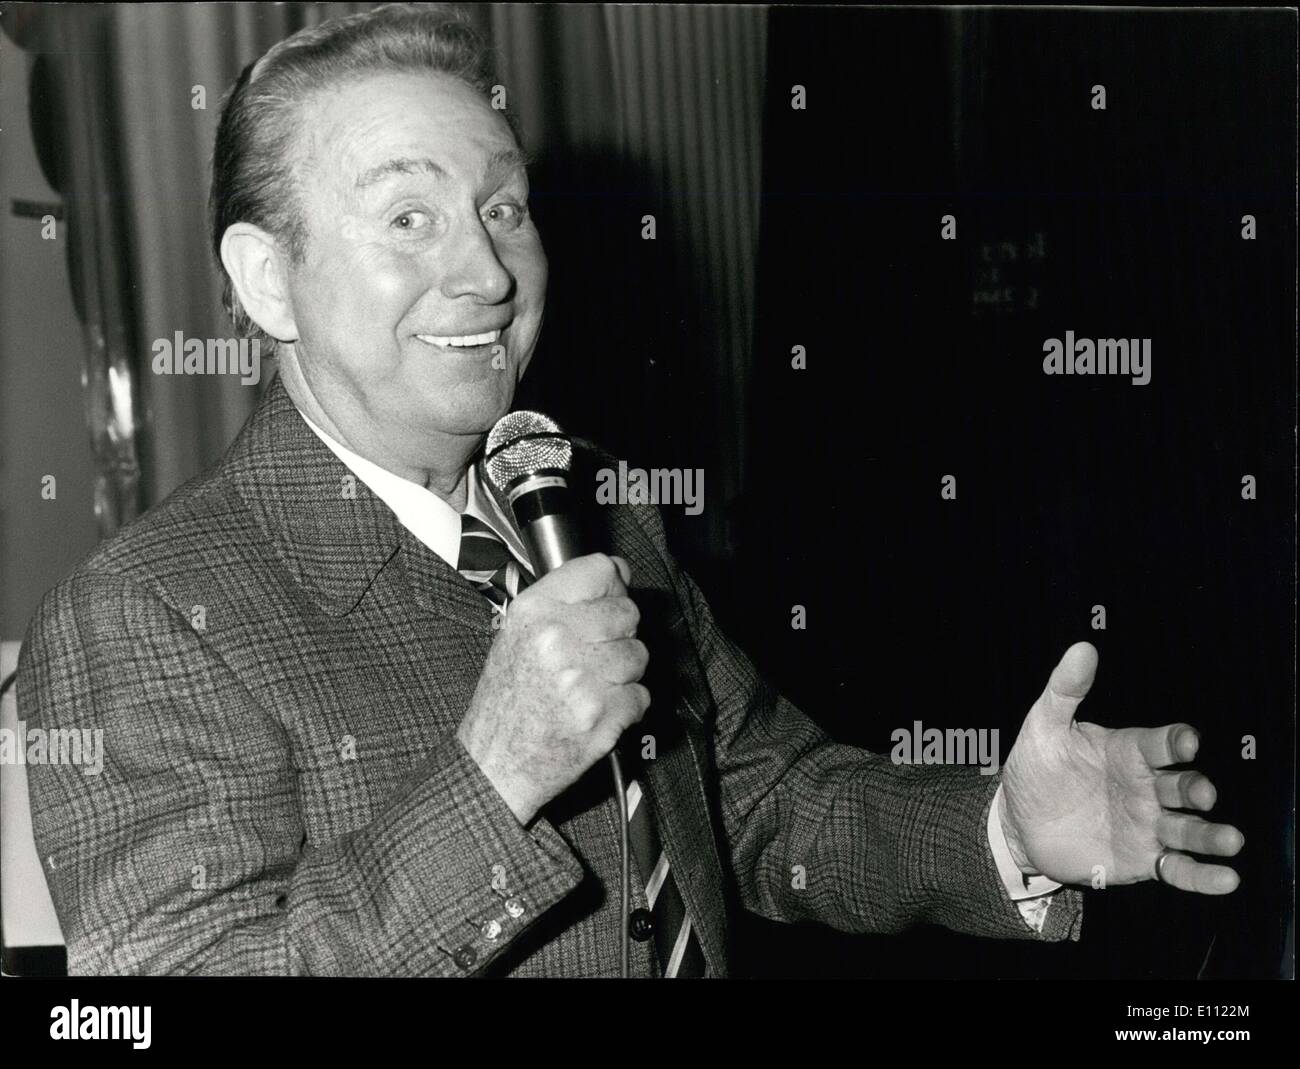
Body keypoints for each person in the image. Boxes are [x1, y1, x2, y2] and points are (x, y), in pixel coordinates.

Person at [17, 4, 1243, 977]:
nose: (488, 271)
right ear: (267, 280)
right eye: (408, 216)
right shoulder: (145, 613)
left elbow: (766, 803)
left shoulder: (585, 502)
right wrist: (492, 774)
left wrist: (1005, 832)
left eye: (503, 208)